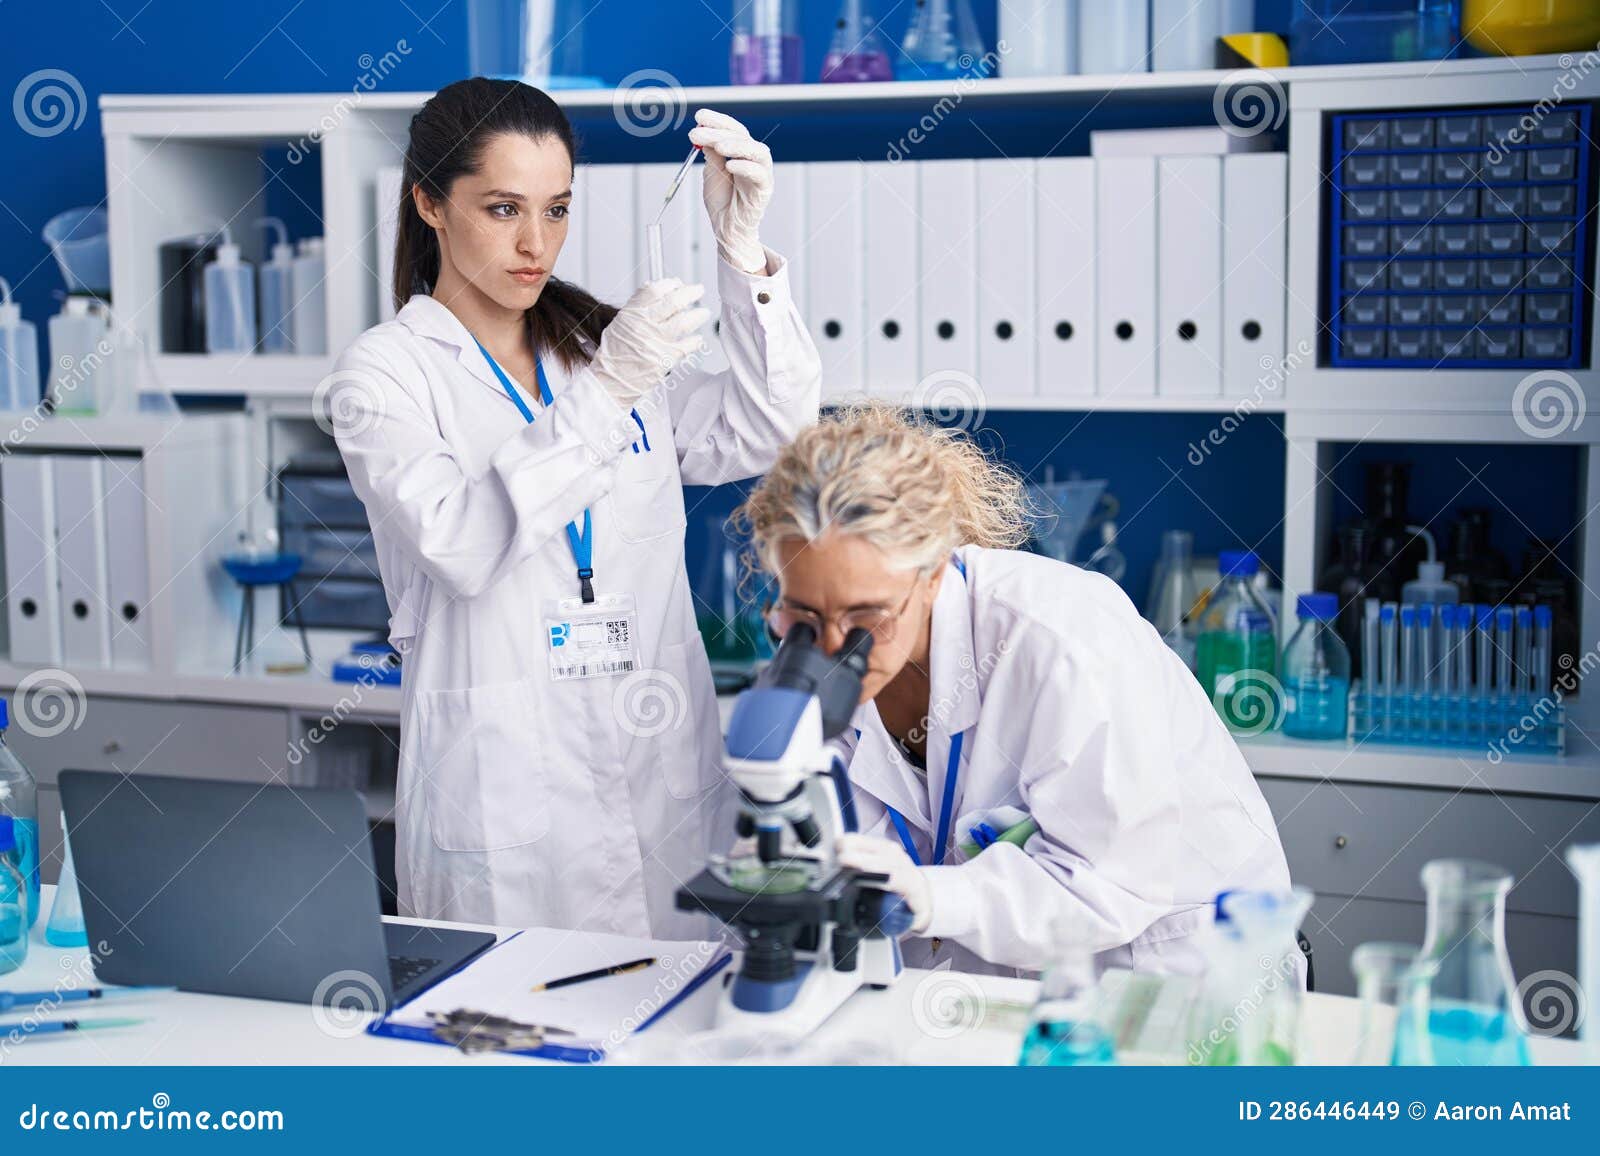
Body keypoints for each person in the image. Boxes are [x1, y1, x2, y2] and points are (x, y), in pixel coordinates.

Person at [330, 77, 820, 935]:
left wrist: (741, 253)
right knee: (506, 1012)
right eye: (503, 209)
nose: (536, 244)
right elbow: (461, 543)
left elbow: (769, 429)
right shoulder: (384, 374)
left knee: (675, 1011)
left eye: (556, 210)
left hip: (656, 775)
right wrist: (609, 392)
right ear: (430, 204)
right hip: (506, 806)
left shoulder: (594, 346)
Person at [731, 404, 1294, 976]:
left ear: (932, 575)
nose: (830, 647)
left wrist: (929, 894)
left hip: (1176, 972)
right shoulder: (811, 653)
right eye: (802, 614)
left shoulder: (1059, 639)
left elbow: (1109, 883)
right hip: (987, 986)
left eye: (865, 618)